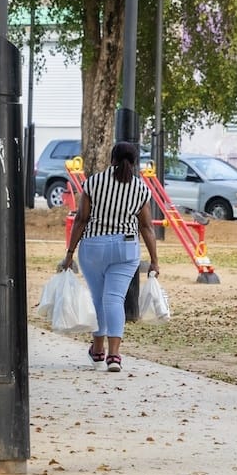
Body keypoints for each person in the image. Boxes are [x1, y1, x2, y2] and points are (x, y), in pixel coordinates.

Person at [60, 141, 159, 373]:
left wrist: (69, 253)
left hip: (94, 246)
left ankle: (97, 350)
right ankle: (114, 356)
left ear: (112, 159)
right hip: (126, 249)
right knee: (114, 299)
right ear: (134, 163)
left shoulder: (93, 183)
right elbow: (146, 227)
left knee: (99, 298)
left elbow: (81, 220)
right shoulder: (141, 189)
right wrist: (154, 260)